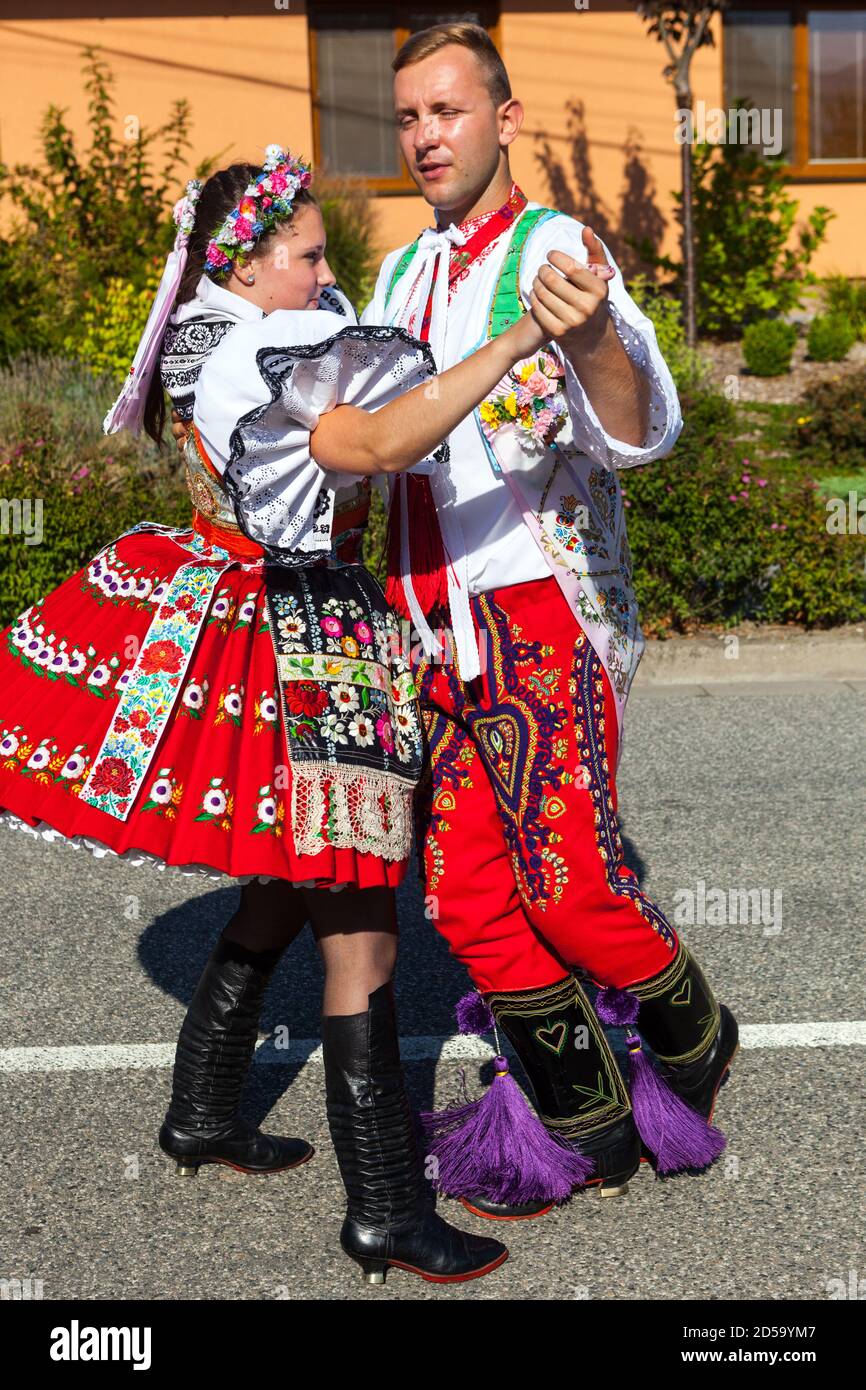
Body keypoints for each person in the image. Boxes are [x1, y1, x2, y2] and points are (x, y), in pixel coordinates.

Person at [0, 145, 552, 1281]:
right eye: (305, 253)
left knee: (280, 877)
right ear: (246, 262)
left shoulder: (204, 321)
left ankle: (202, 1110)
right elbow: (375, 444)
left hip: (234, 615)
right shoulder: (265, 345)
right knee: (361, 924)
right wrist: (514, 340)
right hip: (302, 640)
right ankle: (385, 1212)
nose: (323, 270)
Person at [355, 23, 740, 1219]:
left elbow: (637, 429)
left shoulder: (555, 247)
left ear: (505, 119)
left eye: (449, 112)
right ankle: (583, 1129)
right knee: (465, 897)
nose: (426, 136)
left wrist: (586, 339)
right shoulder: (396, 275)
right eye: (410, 116)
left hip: (535, 614)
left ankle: (694, 1030)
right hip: (429, 624)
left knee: (568, 882)